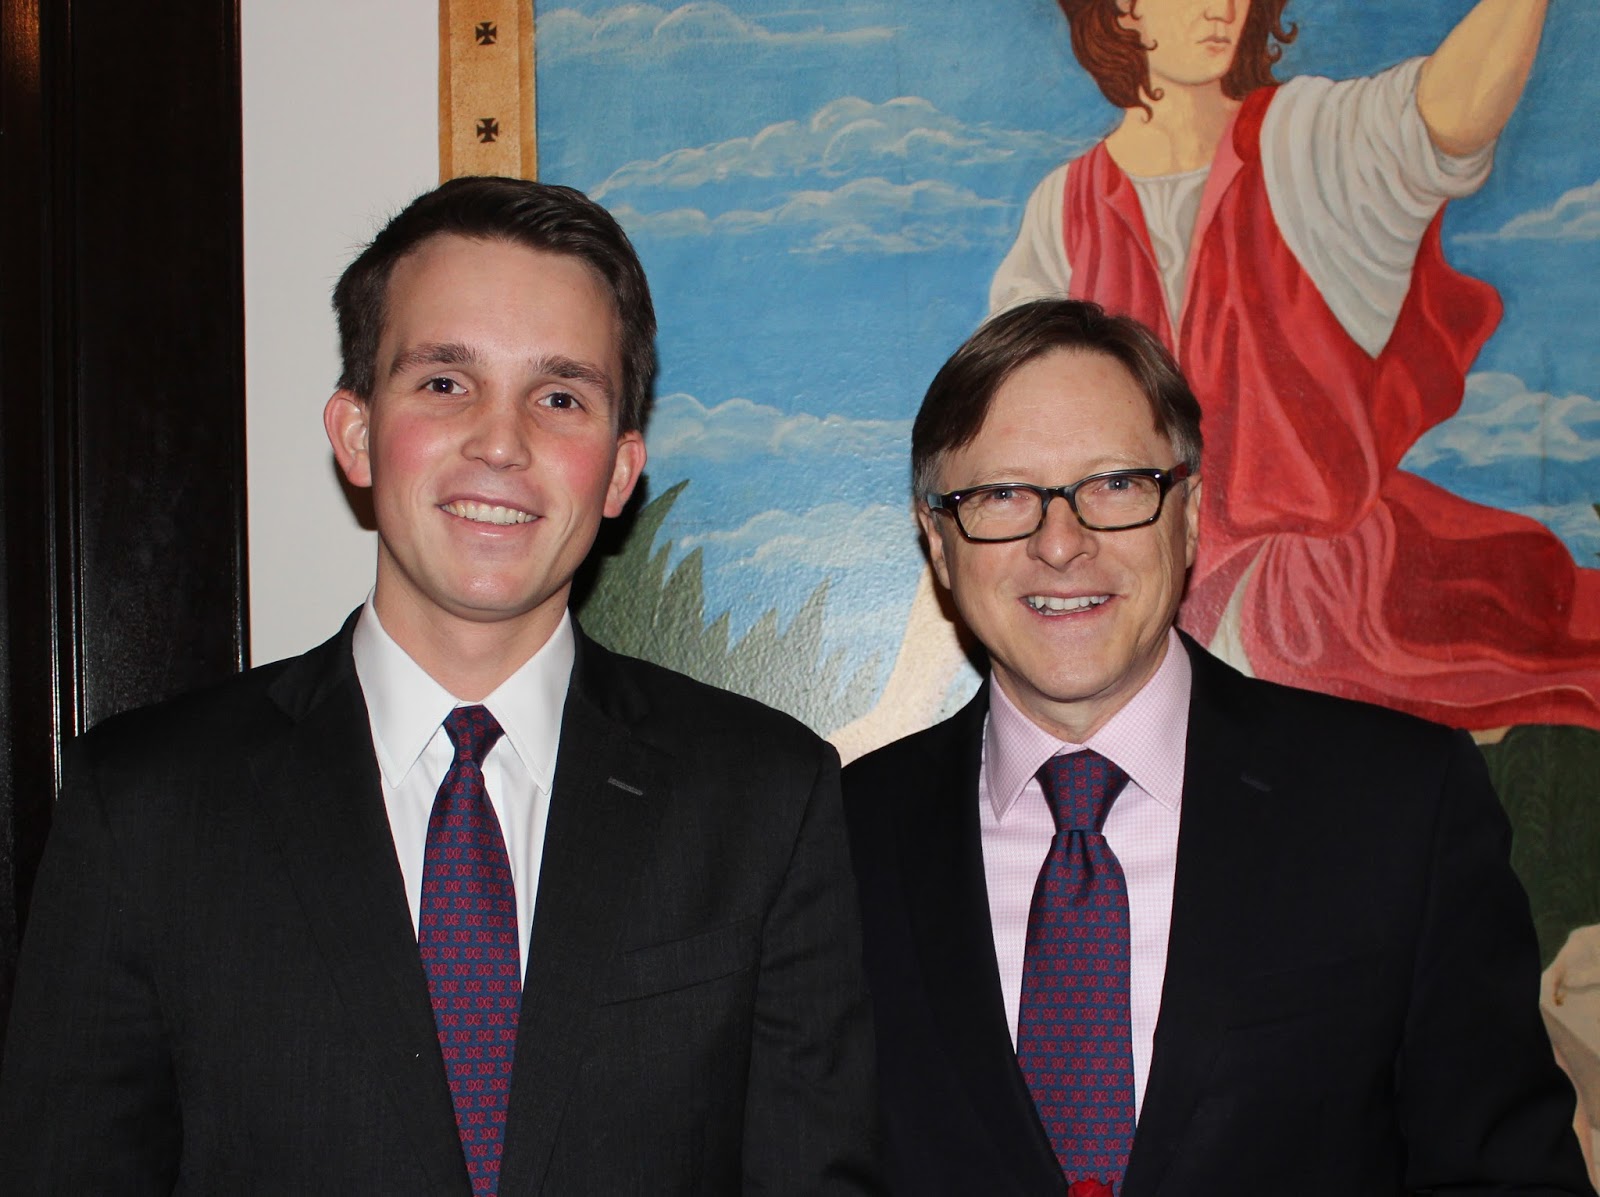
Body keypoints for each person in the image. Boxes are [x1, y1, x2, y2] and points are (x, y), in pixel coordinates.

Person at [0, 177, 881, 1195]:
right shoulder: (145, 804)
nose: (501, 443)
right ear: (357, 434)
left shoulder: (764, 796)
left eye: (560, 397)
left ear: (619, 470)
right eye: (445, 383)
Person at [843, 298, 1592, 1195]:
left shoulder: (1399, 807)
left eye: (1115, 483)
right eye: (1003, 494)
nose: (1061, 541)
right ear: (938, 541)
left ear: (1189, 513)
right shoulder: (836, 841)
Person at [990, 0, 1600, 732]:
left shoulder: (1302, 141)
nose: (1222, 8)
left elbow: (1447, 115)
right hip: (1130, 608)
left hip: (1319, 598)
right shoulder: (1065, 211)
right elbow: (1003, 455)